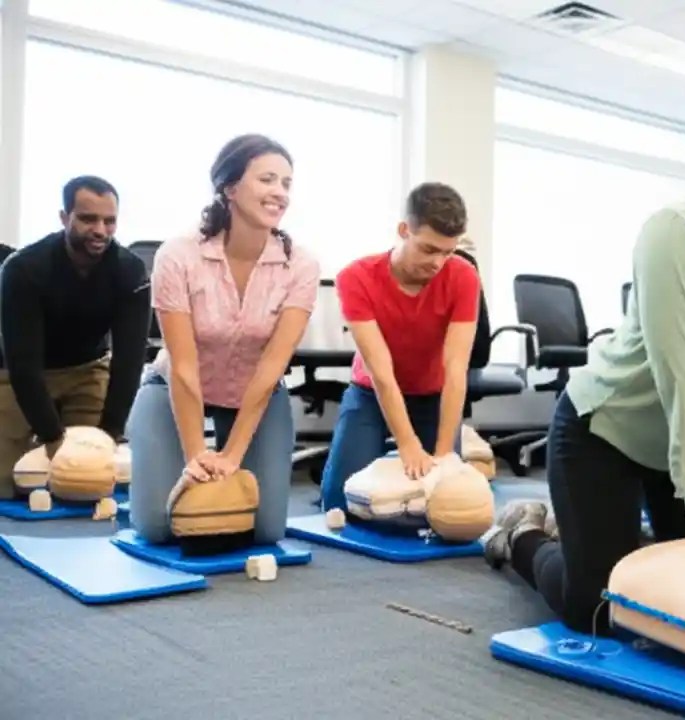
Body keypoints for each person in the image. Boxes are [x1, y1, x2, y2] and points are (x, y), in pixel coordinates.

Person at [478, 93, 685, 634]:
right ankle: (521, 534)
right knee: (601, 607)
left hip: (682, 449)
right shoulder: (675, 235)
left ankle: (597, 535)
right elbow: (681, 378)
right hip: (604, 431)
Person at [125, 134, 319, 544]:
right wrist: (197, 454)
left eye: (286, 183)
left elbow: (271, 366)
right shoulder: (178, 255)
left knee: (265, 531)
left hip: (255, 393)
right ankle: (150, 477)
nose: (279, 193)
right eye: (267, 179)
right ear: (230, 188)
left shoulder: (300, 264)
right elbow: (183, 364)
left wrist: (231, 455)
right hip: (173, 386)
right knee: (159, 529)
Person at [318, 182, 480, 513]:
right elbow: (381, 372)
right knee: (337, 502)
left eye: (447, 252)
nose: (438, 263)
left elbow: (455, 370)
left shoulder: (463, 276)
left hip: (434, 395)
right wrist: (407, 445)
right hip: (371, 394)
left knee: (446, 502)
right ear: (404, 230)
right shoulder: (356, 277)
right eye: (429, 249)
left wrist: (444, 454)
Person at [0, 176, 150, 499]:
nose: (100, 230)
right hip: (17, 375)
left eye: (109, 221)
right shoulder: (23, 270)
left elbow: (129, 359)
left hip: (86, 371)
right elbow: (23, 365)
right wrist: (53, 439)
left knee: (89, 480)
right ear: (64, 217)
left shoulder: (131, 272)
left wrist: (109, 435)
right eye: (88, 219)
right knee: (6, 483)